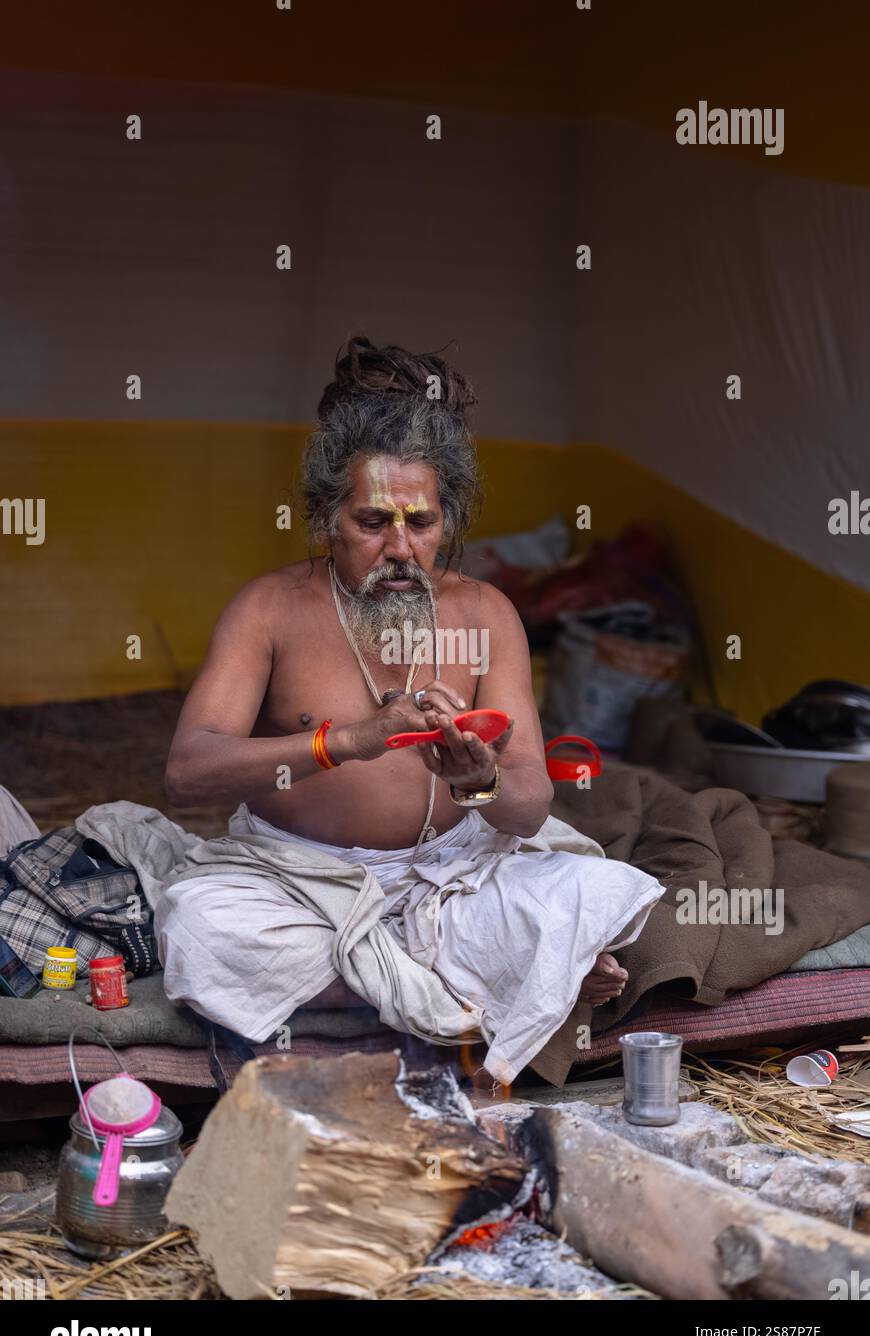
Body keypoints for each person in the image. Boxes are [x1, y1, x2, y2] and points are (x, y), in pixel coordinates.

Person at [157, 336, 664, 1084]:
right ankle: (494, 981)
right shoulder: (268, 608)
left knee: (594, 893)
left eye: (420, 524)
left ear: (448, 523)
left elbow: (527, 811)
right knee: (204, 929)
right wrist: (349, 742)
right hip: (298, 880)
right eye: (372, 523)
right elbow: (187, 770)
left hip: (453, 875)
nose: (400, 548)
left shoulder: (487, 613)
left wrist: (479, 780)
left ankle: (419, 979)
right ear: (328, 519)